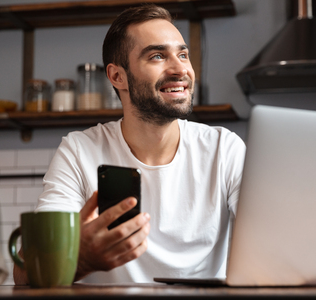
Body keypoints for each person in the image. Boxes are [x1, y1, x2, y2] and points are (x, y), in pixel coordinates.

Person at [14, 3, 246, 284]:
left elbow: (273, 234)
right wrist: (81, 259)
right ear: (117, 76)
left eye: (182, 54)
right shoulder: (79, 150)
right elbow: (25, 274)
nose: (179, 69)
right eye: (158, 56)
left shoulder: (224, 149)